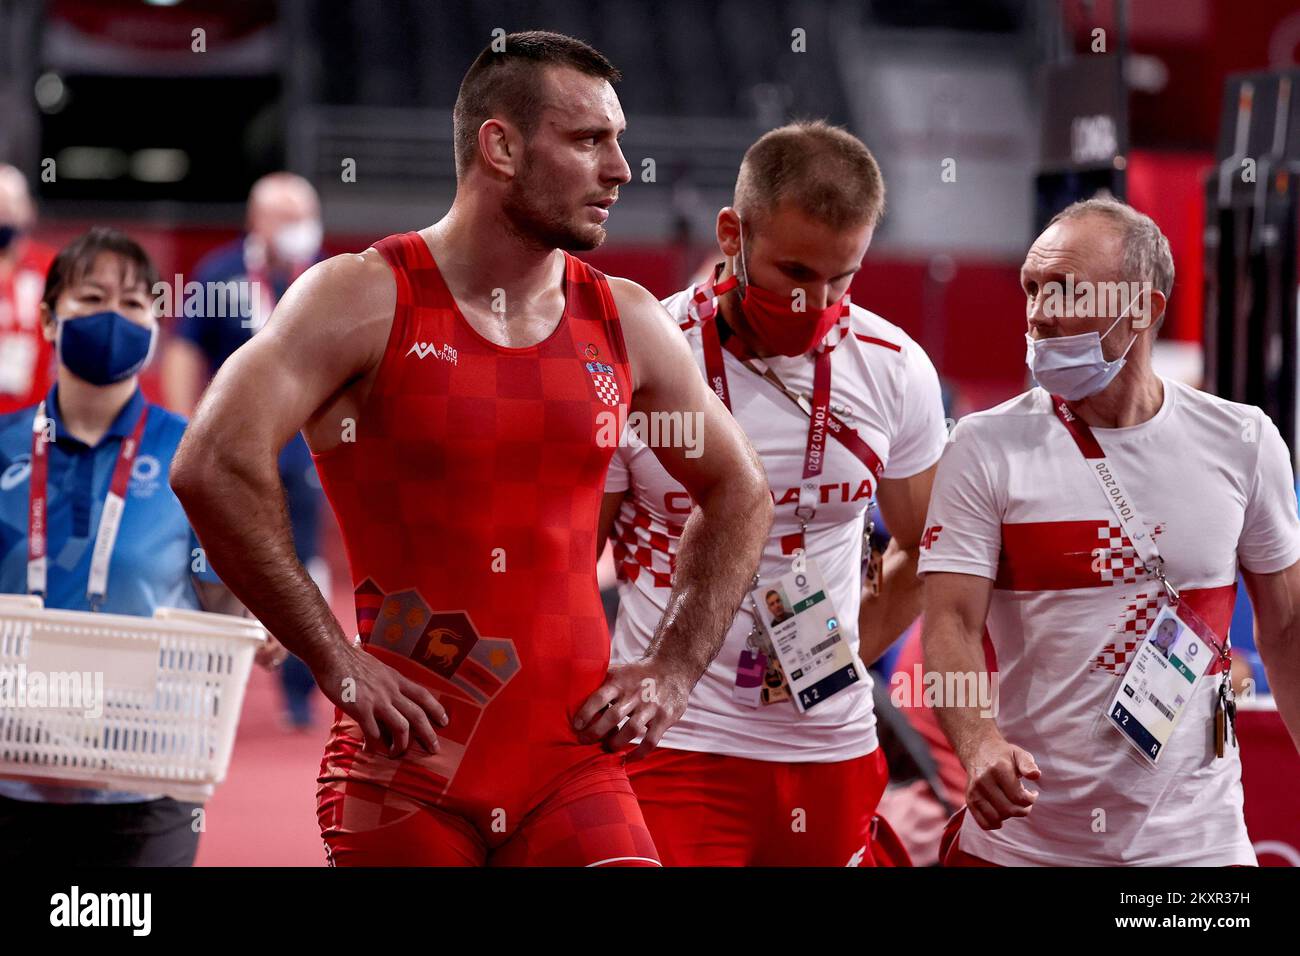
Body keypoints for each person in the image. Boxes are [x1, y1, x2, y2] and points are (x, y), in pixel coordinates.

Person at [170, 31, 772, 867]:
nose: (620, 169)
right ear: (501, 146)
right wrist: (334, 660)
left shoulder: (626, 320)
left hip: (574, 768)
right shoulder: (361, 297)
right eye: (589, 140)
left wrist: (672, 669)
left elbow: (741, 490)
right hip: (405, 770)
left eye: (618, 140)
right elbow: (211, 462)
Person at [600, 121, 948, 866]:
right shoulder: (644, 355)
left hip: (830, 743)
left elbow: (925, 547)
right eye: (794, 272)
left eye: (841, 278)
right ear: (732, 233)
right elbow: (572, 557)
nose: (814, 303)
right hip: (673, 740)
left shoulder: (895, 368)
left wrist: (838, 657)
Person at [920, 197, 1300, 866]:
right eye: (1031, 288)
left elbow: (1288, 627)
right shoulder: (983, 446)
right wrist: (978, 743)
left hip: (1197, 849)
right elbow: (949, 620)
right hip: (1025, 846)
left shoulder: (1242, 441)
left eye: (1066, 289)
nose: (1038, 312)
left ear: (1144, 310)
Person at [0, 227, 285, 866]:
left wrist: (261, 620)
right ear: (47, 319)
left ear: (155, 326)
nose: (113, 317)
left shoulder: (196, 457)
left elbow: (227, 599)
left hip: (149, 779)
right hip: (11, 776)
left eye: (133, 303)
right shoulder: (4, 449)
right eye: (91, 298)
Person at [160, 171, 326, 730]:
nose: (301, 228)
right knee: (214, 563)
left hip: (301, 450)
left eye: (306, 217)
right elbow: (185, 350)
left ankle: (301, 691)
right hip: (229, 449)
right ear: (258, 220)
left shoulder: (324, 276)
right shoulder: (221, 272)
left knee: (301, 565)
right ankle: (202, 684)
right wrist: (184, 428)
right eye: (288, 218)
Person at [0, 165, 56, 415]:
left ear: (29, 210)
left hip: (34, 415)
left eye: (9, 207)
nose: (3, 218)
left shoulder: (52, 269)